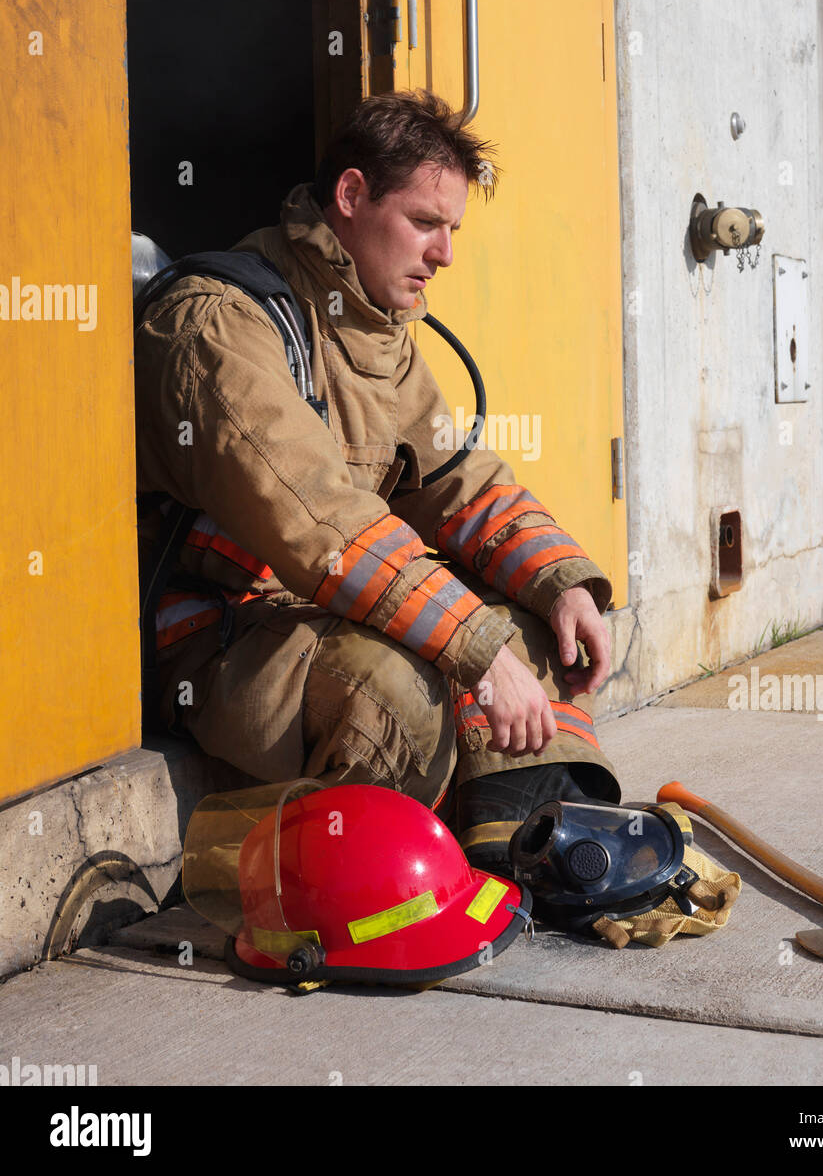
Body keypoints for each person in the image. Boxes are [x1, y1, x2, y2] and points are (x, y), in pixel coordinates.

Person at [135, 89, 621, 872]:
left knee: (535, 633)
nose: (446, 254)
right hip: (211, 634)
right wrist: (476, 647)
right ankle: (335, 883)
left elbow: (455, 480)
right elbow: (320, 523)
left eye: (452, 229)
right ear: (352, 197)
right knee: (398, 700)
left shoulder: (373, 328)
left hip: (309, 616)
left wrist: (561, 581)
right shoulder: (218, 326)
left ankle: (536, 855)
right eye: (426, 223)